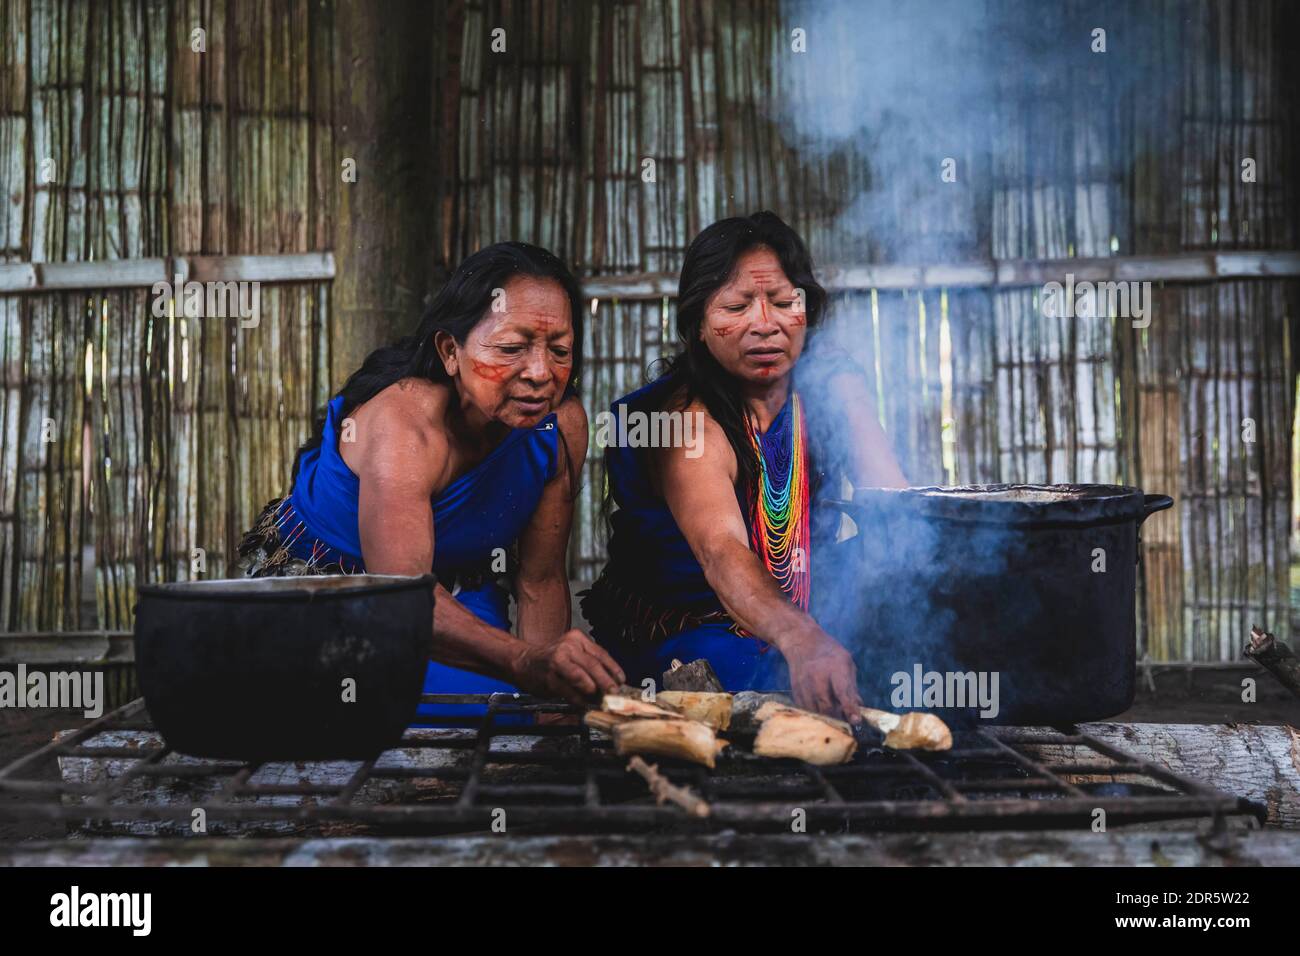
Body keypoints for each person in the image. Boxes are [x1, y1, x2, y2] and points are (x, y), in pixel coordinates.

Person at [238, 242, 624, 720]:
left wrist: (547, 704)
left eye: (560, 350)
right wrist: (526, 662)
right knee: (383, 724)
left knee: (507, 720)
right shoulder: (404, 425)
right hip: (333, 597)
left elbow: (540, 580)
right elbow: (401, 595)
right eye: (510, 349)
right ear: (450, 351)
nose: (542, 373)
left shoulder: (559, 427)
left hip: (455, 589)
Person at [580, 212, 906, 722]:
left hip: (810, 602)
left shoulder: (830, 384)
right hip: (693, 627)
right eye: (737, 307)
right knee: (762, 680)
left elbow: (893, 504)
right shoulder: (685, 423)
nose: (765, 324)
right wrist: (803, 639)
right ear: (698, 328)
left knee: (910, 642)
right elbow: (721, 551)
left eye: (783, 302)